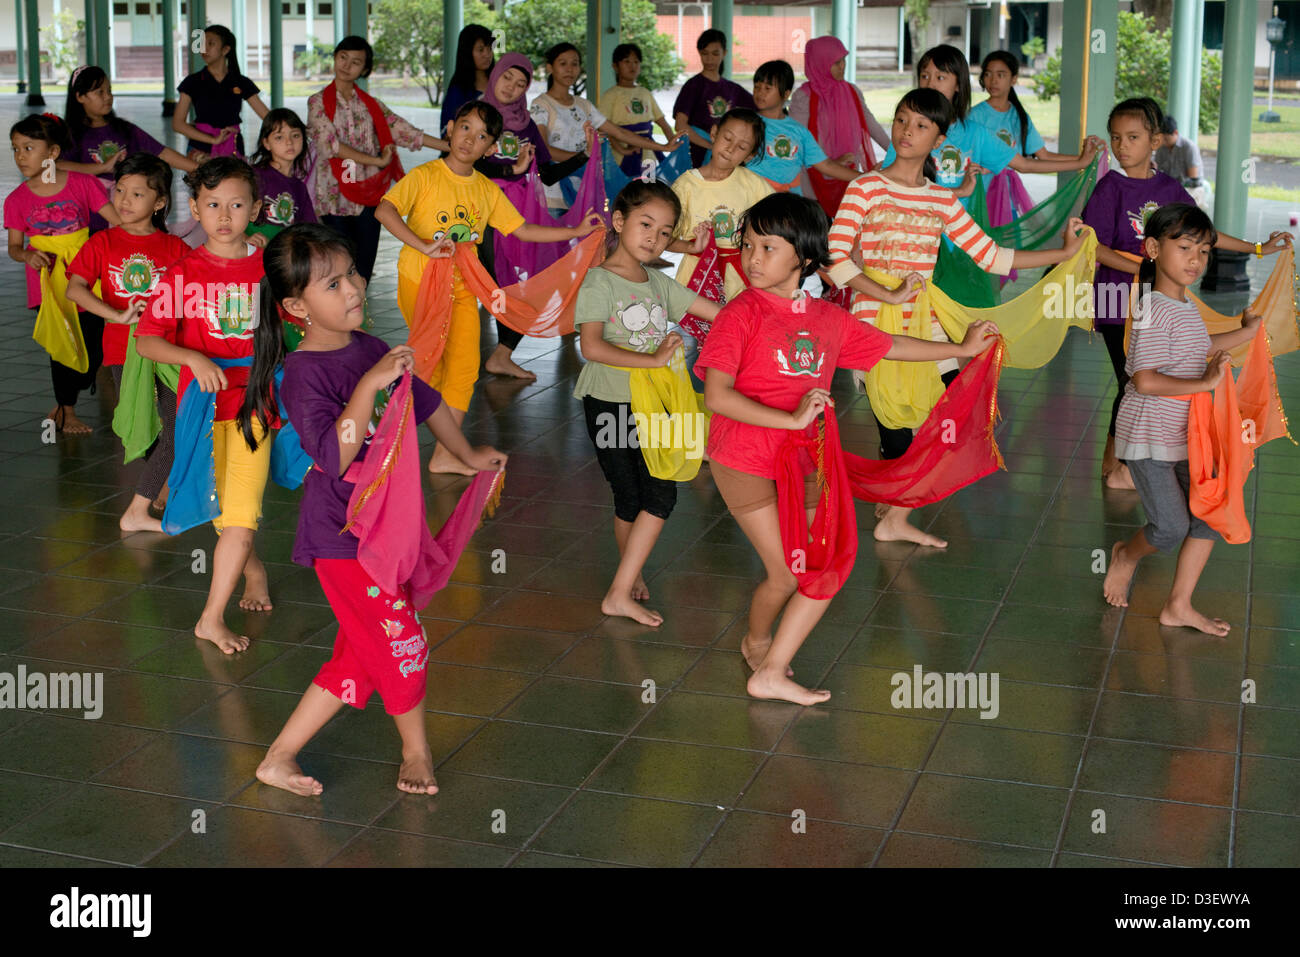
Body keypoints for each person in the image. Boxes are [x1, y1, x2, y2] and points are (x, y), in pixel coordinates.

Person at [696, 192, 1001, 706]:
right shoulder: (740, 313)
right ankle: (757, 640)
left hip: (806, 457)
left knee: (823, 563)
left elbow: (892, 347)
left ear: (807, 259)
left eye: (768, 247)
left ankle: (768, 669)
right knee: (786, 572)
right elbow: (718, 395)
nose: (752, 258)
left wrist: (962, 349)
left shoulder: (827, 319)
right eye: (748, 245)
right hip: (744, 458)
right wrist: (789, 417)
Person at [251, 223, 506, 797]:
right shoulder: (303, 376)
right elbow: (334, 457)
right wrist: (368, 386)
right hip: (342, 538)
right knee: (400, 637)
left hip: (389, 528)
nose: (354, 289)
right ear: (296, 307)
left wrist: (465, 454)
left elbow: (425, 400)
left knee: (359, 654)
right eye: (333, 284)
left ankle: (279, 757)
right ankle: (415, 752)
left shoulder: (369, 347)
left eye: (352, 275)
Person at [827, 88, 1087, 547]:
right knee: (895, 422)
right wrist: (884, 294)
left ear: (939, 139)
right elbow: (836, 259)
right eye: (902, 120)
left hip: (924, 319)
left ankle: (895, 507)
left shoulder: (941, 199)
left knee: (948, 412)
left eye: (921, 126)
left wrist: (1064, 252)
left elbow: (990, 255)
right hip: (873, 321)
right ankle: (894, 514)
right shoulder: (865, 186)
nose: (908, 132)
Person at [375, 100, 602, 473]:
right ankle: (384, 443)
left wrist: (574, 231)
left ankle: (447, 452)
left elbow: (523, 229)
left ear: (491, 149)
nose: (470, 140)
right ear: (449, 128)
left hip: (465, 286)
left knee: (464, 368)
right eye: (465, 128)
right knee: (428, 362)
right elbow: (385, 209)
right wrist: (423, 245)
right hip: (420, 282)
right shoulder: (425, 176)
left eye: (482, 136)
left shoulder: (484, 189)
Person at [1082, 97, 1290, 488]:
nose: (1122, 146)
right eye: (1116, 138)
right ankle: (1120, 467)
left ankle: (1125, 465)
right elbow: (1094, 247)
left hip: (1158, 301)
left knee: (1143, 381)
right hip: (1116, 301)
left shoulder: (1169, 187)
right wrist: (1148, 266)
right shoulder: (1110, 187)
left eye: (1133, 137)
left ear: (1155, 140)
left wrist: (1258, 247)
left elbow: (1204, 233)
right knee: (1132, 381)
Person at [1102, 204, 1271, 635]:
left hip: (1182, 436)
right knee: (1171, 526)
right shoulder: (1154, 309)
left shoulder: (1181, 306)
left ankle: (1178, 605)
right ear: (1154, 249)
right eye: (1185, 248)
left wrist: (1246, 333)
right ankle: (1124, 556)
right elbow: (1144, 380)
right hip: (1148, 439)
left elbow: (1198, 347)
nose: (1195, 260)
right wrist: (1207, 383)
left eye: (1204, 251)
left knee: (1209, 514)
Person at [134, 157, 273, 655]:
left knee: (242, 511)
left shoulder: (268, 267)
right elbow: (148, 340)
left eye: (237, 205)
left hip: (255, 405)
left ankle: (210, 619)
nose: (224, 215)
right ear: (194, 208)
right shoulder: (182, 274)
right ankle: (253, 571)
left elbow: (299, 316)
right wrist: (193, 355)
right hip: (203, 412)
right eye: (212, 205)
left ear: (255, 208)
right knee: (227, 513)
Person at [573, 180, 719, 626]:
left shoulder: (658, 281)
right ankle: (622, 586)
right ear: (620, 222)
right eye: (645, 225)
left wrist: (768, 307)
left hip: (657, 404)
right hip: (611, 403)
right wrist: (652, 357)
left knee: (660, 489)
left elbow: (715, 311)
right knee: (633, 495)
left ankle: (624, 579)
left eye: (664, 231)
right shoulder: (600, 281)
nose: (654, 238)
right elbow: (592, 348)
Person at [65, 153, 189, 531]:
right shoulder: (102, 241)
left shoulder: (175, 249)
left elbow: (192, 298)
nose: (123, 200)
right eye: (120, 190)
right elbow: (75, 288)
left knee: (173, 426)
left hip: (167, 352)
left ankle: (145, 502)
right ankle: (154, 493)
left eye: (137, 194)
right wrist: (115, 315)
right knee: (142, 423)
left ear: (160, 202)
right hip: (122, 351)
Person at [474, 52, 591, 380]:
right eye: (507, 77)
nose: (511, 87)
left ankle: (502, 353)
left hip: (517, 215)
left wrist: (584, 155)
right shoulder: (477, 114)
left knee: (518, 286)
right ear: (496, 75)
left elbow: (548, 173)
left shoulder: (524, 122)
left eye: (520, 83)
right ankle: (480, 353)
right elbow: (463, 156)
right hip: (480, 212)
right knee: (497, 285)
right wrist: (510, 168)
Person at [5, 113, 119, 435]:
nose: (20, 156)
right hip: (47, 285)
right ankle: (67, 412)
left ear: (53, 153)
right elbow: (14, 246)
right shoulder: (17, 199)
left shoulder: (83, 184)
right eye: (15, 149)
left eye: (29, 147)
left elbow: (116, 221)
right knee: (61, 346)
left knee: (95, 347)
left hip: (86, 276)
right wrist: (27, 254)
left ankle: (69, 395)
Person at [881, 45, 1098, 208]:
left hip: (956, 240)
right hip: (912, 236)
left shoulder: (975, 133)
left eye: (940, 77)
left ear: (958, 85)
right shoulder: (906, 129)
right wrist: (960, 191)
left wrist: (1080, 162)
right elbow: (892, 184)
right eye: (924, 76)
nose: (930, 84)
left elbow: (1024, 164)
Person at [307, 35, 450, 283]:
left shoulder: (371, 105)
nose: (347, 65)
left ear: (365, 69)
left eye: (356, 61)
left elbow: (404, 131)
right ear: (334, 58)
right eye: (343, 57)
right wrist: (376, 162)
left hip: (368, 194)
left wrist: (451, 146)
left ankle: (358, 317)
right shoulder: (318, 101)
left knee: (363, 266)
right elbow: (330, 145)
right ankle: (338, 319)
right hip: (333, 195)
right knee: (336, 266)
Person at [531, 42, 677, 211]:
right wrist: (586, 158)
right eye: (563, 64)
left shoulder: (583, 105)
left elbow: (619, 132)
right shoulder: (541, 104)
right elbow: (544, 150)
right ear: (550, 67)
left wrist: (662, 146)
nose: (570, 69)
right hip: (552, 195)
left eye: (575, 63)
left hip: (583, 192)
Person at [666, 108, 772, 340]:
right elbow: (663, 238)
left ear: (749, 156)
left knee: (737, 338)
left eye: (742, 147)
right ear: (714, 133)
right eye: (727, 138)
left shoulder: (753, 185)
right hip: (699, 279)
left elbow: (777, 224)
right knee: (712, 341)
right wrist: (691, 247)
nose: (731, 148)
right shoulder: (686, 186)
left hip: (742, 279)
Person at [969, 50, 1105, 201]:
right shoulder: (974, 116)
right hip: (979, 196)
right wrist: (1080, 162)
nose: (993, 80)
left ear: (1014, 79)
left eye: (1000, 75)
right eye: (988, 74)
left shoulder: (1019, 117)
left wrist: (1083, 159)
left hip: (1008, 199)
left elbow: (1044, 155)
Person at [788, 36, 889, 218]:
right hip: (814, 178)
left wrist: (895, 152)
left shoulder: (851, 91)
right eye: (836, 62)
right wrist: (829, 163)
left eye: (843, 60)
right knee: (818, 229)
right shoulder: (803, 97)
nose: (842, 66)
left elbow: (870, 123)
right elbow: (799, 140)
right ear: (820, 63)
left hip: (848, 172)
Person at [60, 65, 196, 189]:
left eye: (109, 90)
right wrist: (101, 168)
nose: (108, 97)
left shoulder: (124, 129)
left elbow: (162, 153)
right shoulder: (70, 134)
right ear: (80, 97)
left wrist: (199, 168)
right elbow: (58, 166)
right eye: (100, 92)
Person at [746, 59, 857, 193]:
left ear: (786, 93)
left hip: (791, 206)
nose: (760, 93)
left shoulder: (798, 131)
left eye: (767, 88)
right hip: (754, 200)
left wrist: (866, 177)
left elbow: (826, 165)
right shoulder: (745, 124)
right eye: (757, 87)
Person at [173, 25, 270, 160]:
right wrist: (212, 140)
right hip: (200, 150)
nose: (204, 48)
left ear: (225, 50)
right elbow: (178, 124)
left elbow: (268, 117)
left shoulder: (241, 82)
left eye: (211, 43)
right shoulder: (193, 82)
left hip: (233, 147)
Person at [673, 28, 756, 168]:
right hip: (694, 157)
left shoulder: (733, 89)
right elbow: (680, 125)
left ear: (724, 53)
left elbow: (761, 108)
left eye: (715, 54)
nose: (709, 59)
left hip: (724, 157)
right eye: (705, 53)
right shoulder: (693, 86)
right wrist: (710, 145)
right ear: (699, 53)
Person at [600, 42, 678, 178]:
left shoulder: (645, 93)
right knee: (624, 192)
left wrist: (674, 144)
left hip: (648, 152)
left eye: (636, 62)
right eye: (627, 61)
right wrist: (622, 150)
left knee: (649, 189)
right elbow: (605, 129)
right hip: (621, 154)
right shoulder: (610, 95)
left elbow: (662, 122)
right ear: (615, 66)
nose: (632, 66)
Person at [248, 108, 318, 245]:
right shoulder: (253, 176)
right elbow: (231, 213)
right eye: (279, 137)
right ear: (266, 143)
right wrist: (243, 239)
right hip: (251, 255)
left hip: (281, 256)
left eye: (295, 135)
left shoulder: (299, 187)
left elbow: (309, 229)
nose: (289, 142)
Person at [439, 23, 496, 136]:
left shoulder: (500, 82)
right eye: (480, 50)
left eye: (489, 48)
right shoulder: (458, 91)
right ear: (467, 53)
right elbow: (447, 134)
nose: (487, 54)